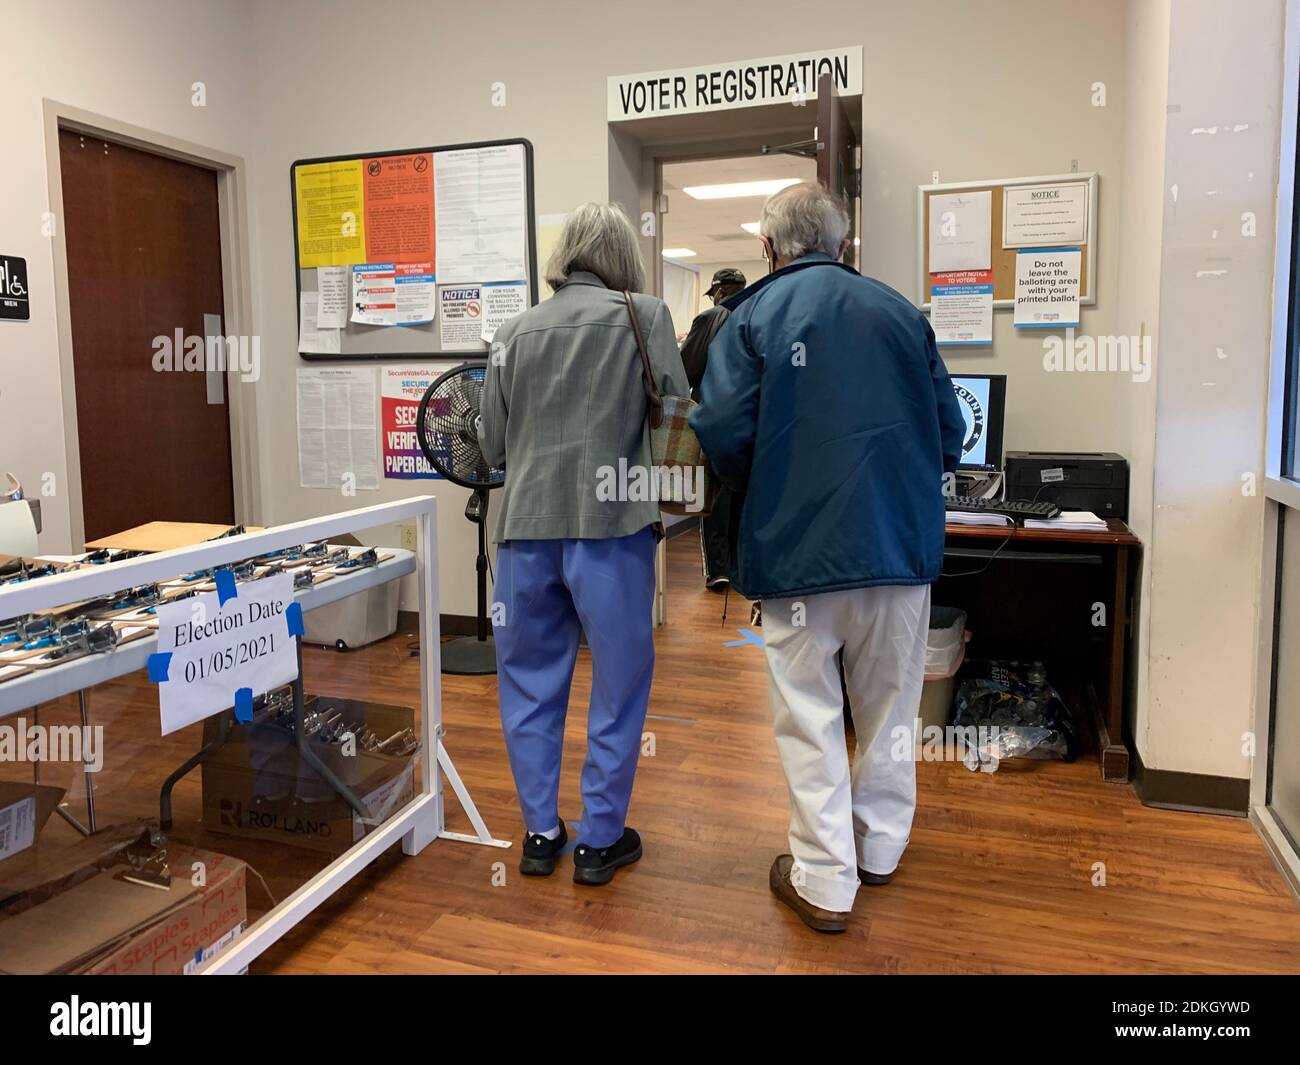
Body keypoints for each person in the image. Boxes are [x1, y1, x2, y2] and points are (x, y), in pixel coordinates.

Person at [690, 182, 965, 933]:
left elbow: (717, 430)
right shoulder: (903, 315)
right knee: (889, 710)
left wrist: (774, 478)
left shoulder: (750, 318)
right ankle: (878, 848)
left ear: (770, 250)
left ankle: (823, 878)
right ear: (843, 245)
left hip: (797, 555)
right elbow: (952, 429)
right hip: (898, 551)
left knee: (809, 718)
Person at [478, 203, 689, 886]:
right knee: (619, 687)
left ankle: (540, 835)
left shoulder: (513, 330)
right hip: (613, 533)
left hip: (524, 535)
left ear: (564, 255)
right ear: (622, 254)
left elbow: (491, 445)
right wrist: (686, 509)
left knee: (528, 685)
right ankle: (600, 841)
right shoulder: (646, 316)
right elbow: (680, 430)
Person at [679, 268, 747, 590]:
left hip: (717, 422)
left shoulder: (711, 318)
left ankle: (718, 569)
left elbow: (686, 371)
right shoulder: (758, 313)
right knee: (743, 496)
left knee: (714, 497)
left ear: (719, 291)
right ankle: (738, 567)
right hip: (753, 424)